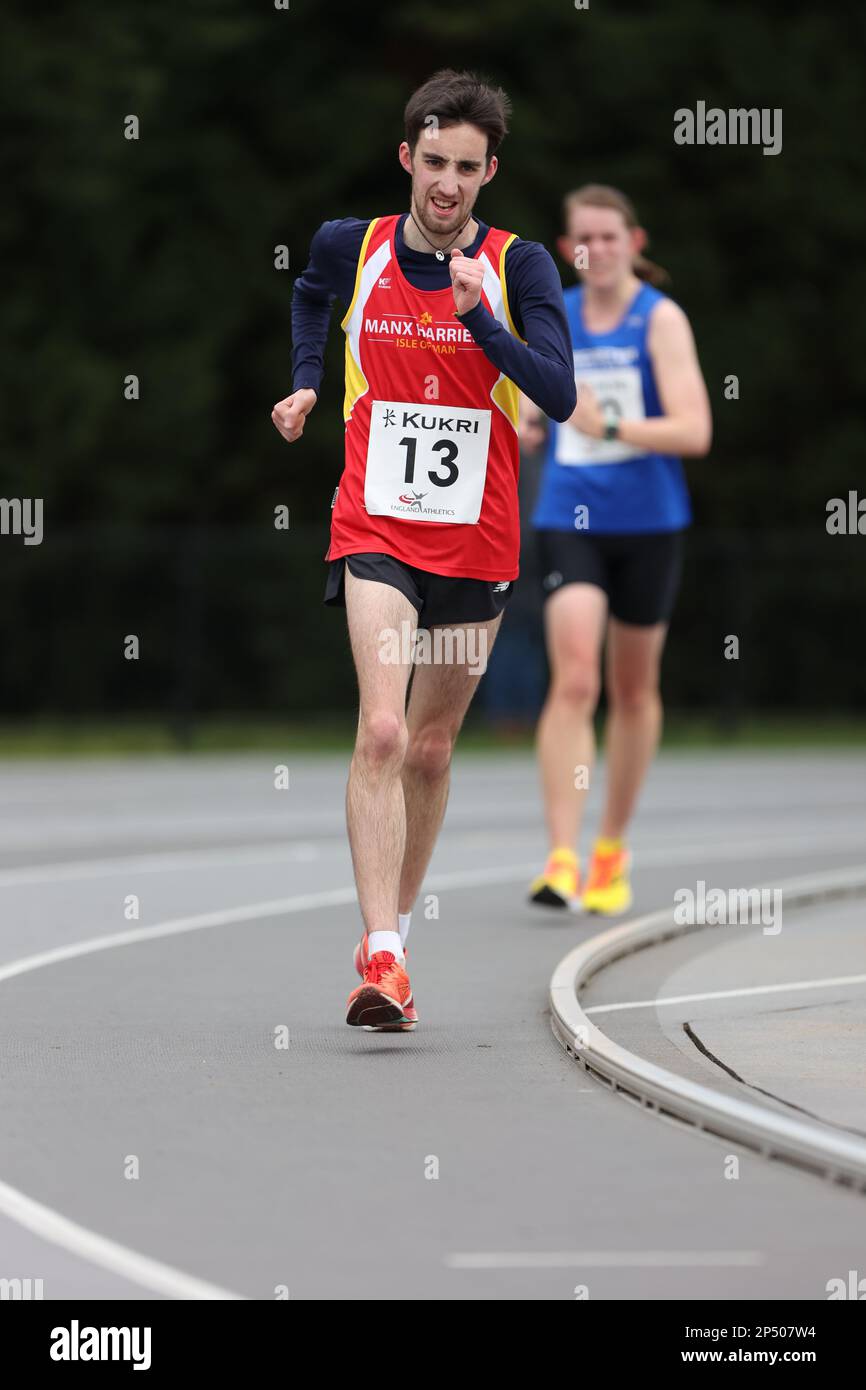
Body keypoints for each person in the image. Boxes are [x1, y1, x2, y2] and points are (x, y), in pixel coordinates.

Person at [272, 70, 576, 1029]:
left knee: (434, 750)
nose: (447, 183)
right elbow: (311, 294)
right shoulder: (349, 245)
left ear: (491, 173)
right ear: (408, 158)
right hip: (373, 524)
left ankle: (395, 932)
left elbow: (559, 395)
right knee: (385, 731)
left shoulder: (520, 265)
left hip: (476, 541)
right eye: (433, 162)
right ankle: (383, 957)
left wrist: (483, 315)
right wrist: (310, 383)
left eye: (467, 169)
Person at [528, 184, 712, 915]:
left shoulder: (659, 321)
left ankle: (611, 846)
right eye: (582, 239)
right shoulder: (555, 317)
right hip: (568, 519)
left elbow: (694, 432)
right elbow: (527, 413)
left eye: (609, 237)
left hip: (650, 524)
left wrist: (611, 427)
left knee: (633, 691)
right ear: (568, 248)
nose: (595, 250)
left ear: (634, 243)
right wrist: (534, 428)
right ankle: (562, 857)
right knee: (575, 679)